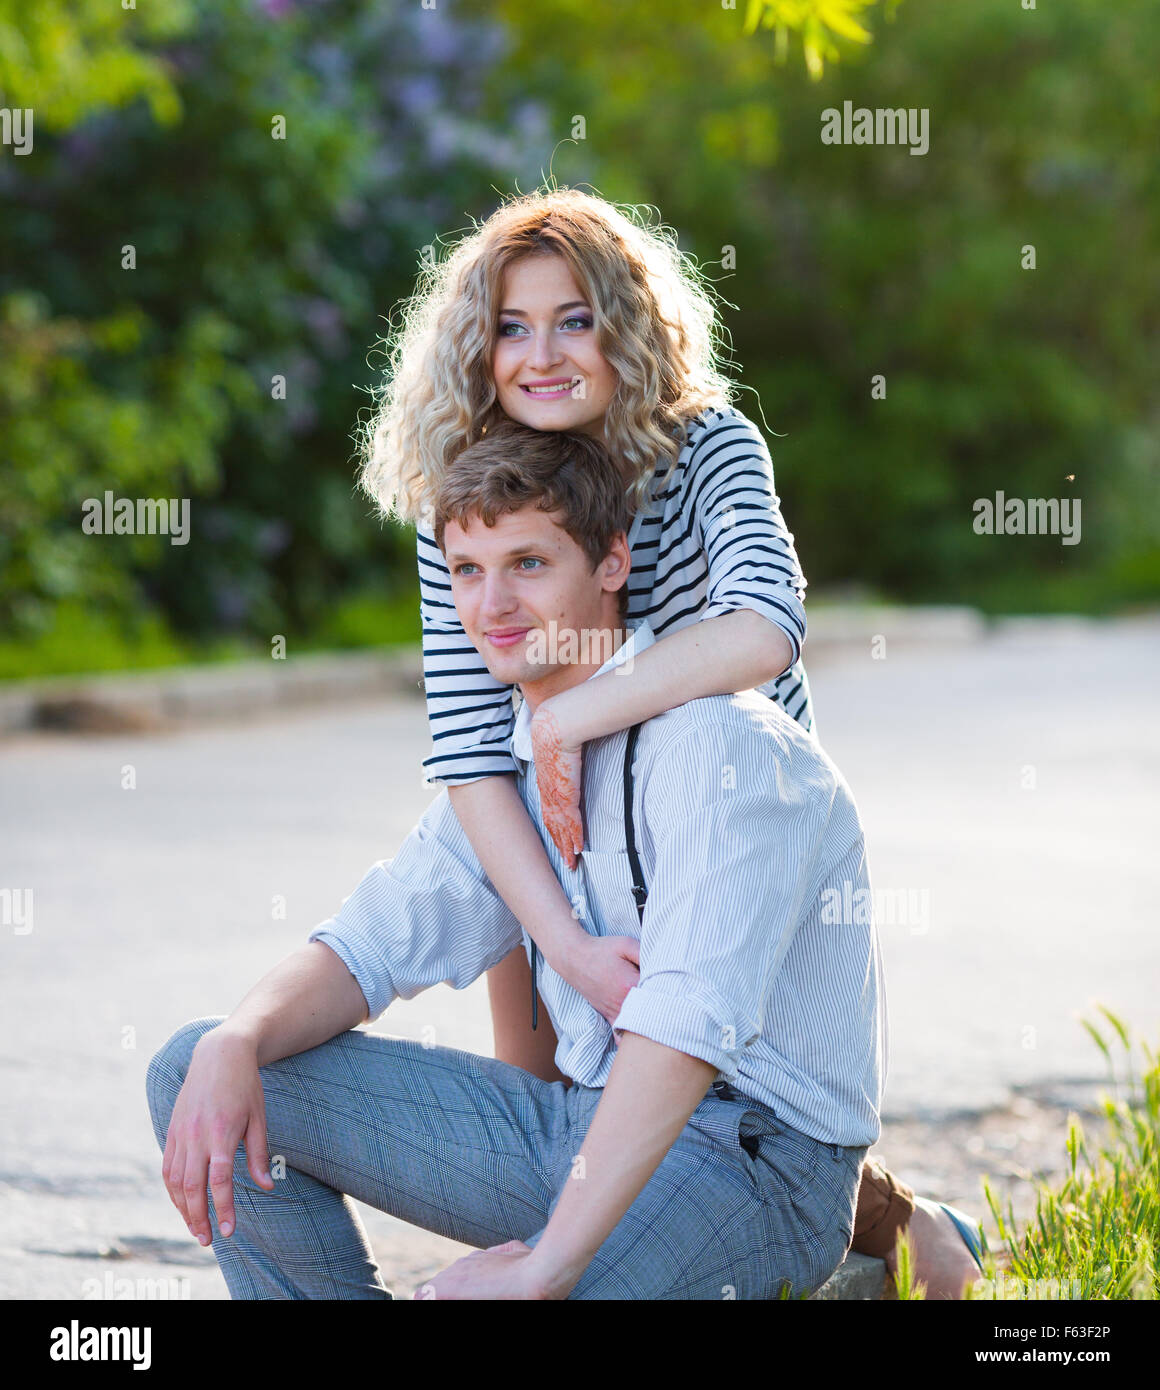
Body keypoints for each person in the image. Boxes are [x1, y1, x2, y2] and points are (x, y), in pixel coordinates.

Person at [361, 184, 981, 1293]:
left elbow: (765, 625)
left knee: (733, 1081)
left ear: (626, 326)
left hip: (717, 820)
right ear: (477, 345)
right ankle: (576, 1227)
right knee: (559, 1065)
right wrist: (560, 938)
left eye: (572, 318)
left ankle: (886, 1222)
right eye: (509, 325)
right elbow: (466, 749)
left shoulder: (708, 449)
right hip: (559, 816)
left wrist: (571, 718)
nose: (539, 353)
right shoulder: (469, 487)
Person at [147, 419, 885, 1299]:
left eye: (528, 565)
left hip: (752, 1168)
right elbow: (369, 946)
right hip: (575, 1129)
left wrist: (544, 1267)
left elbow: (686, 1029)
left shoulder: (719, 743)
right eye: (468, 571)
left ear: (612, 562)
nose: (490, 606)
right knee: (203, 1068)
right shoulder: (519, 773)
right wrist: (240, 1038)